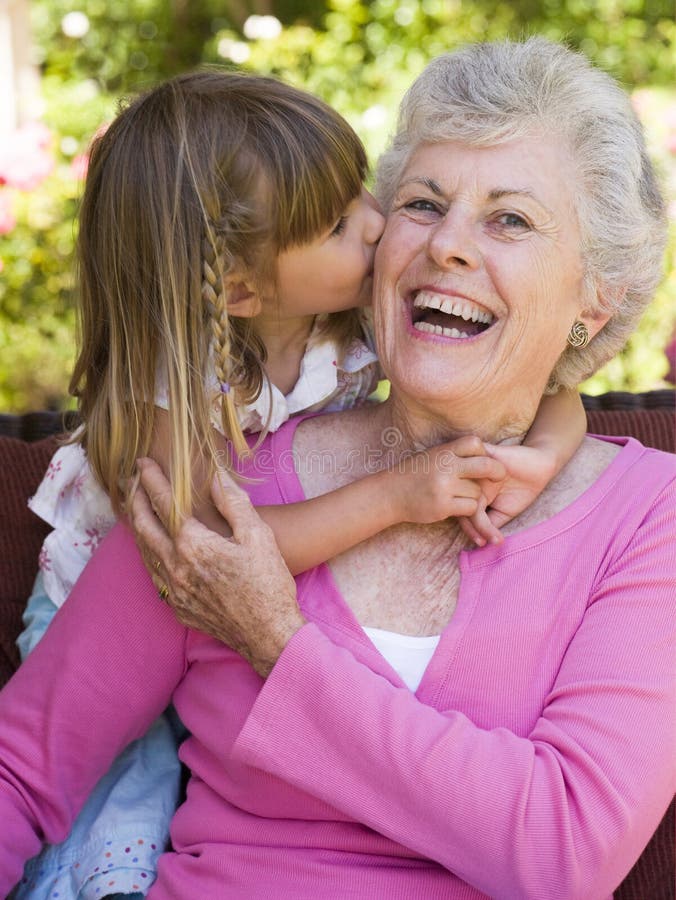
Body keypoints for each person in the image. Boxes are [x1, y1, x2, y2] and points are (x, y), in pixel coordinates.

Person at [1, 37, 673, 899]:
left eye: (509, 219)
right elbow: (22, 773)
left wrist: (277, 643)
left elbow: (563, 851)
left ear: (597, 298)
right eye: (423, 205)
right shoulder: (218, 493)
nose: (447, 248)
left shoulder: (651, 516)